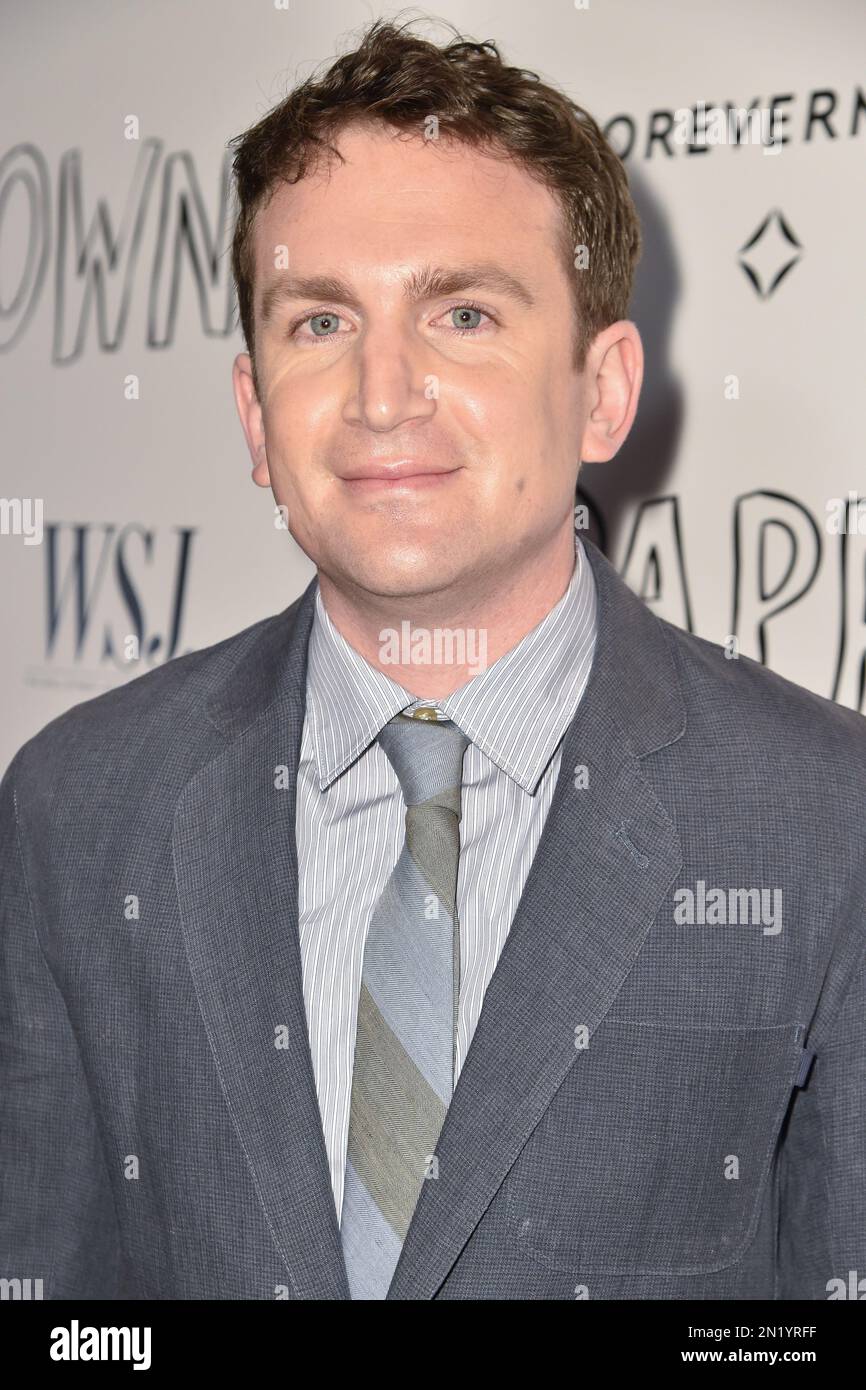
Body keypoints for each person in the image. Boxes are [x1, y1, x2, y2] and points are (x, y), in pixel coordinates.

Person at [2, 17, 864, 1302]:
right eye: (319, 323)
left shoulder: (824, 819)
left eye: (462, 311)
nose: (382, 390)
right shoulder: (76, 805)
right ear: (253, 413)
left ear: (602, 388)